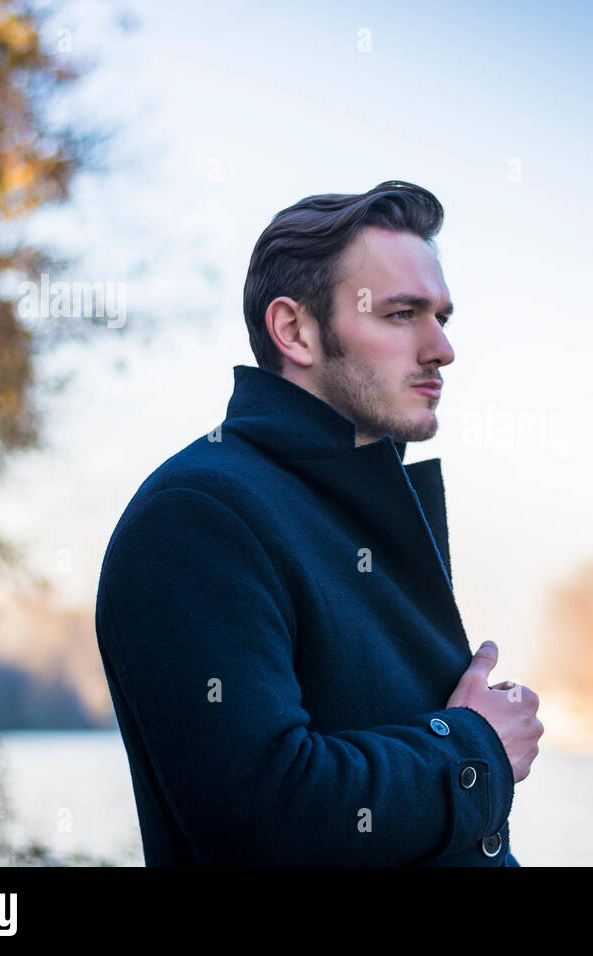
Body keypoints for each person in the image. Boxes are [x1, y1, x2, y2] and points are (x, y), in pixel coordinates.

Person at [94, 181, 542, 865]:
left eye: (442, 317)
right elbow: (265, 814)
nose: (441, 349)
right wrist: (476, 747)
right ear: (295, 330)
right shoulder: (198, 517)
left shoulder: (355, 508)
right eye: (401, 314)